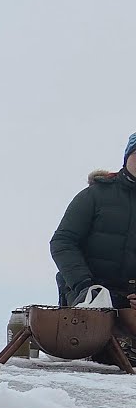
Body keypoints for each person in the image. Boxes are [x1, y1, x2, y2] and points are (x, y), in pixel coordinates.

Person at [50, 132, 136, 338]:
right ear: (128, 156)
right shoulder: (94, 195)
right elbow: (63, 242)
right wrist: (85, 286)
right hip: (89, 299)